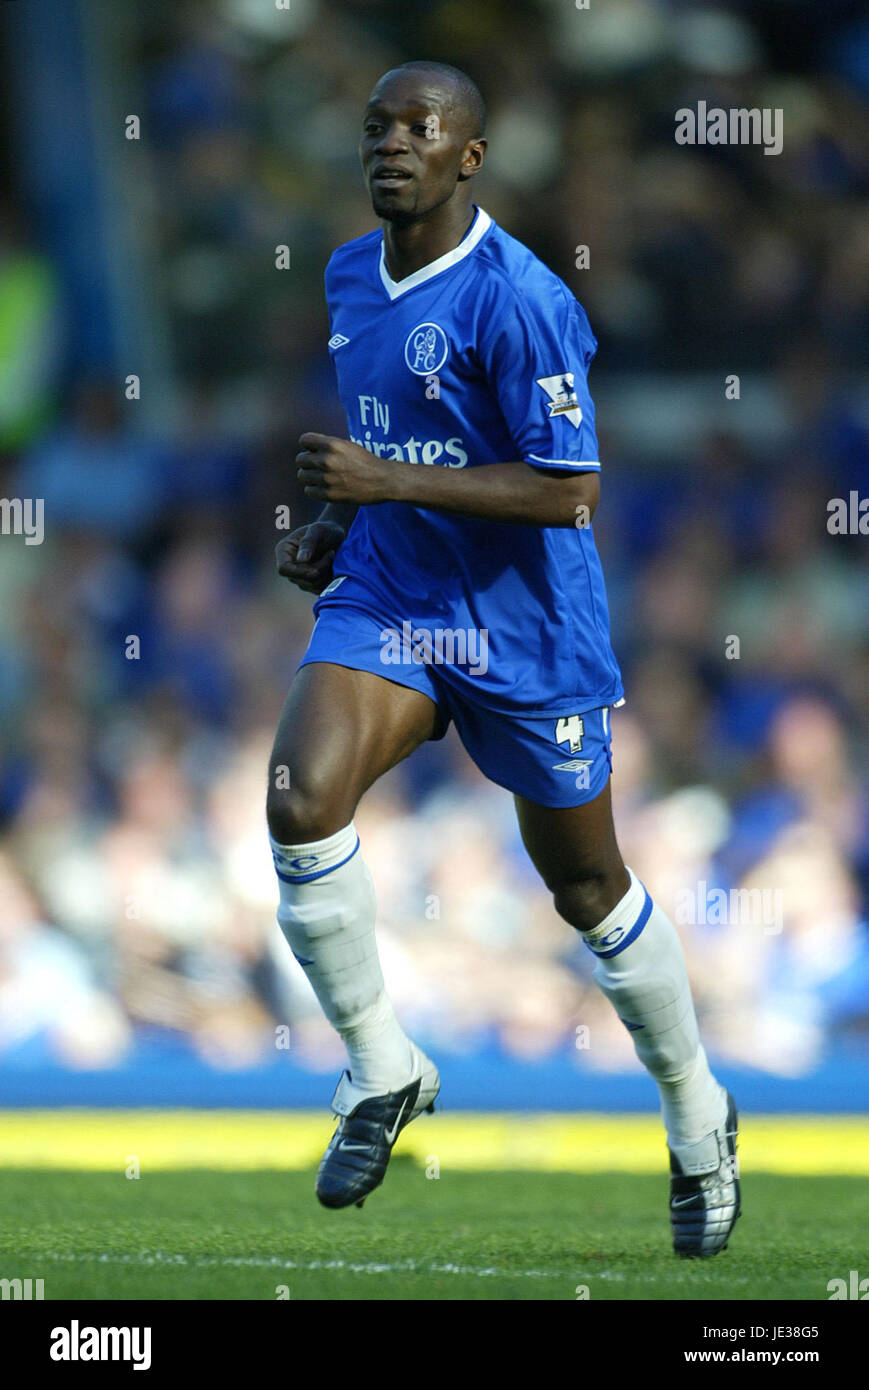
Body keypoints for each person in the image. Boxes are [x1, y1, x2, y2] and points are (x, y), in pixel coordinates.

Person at [267, 61, 739, 1258]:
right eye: (376, 126)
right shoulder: (344, 274)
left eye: (419, 128)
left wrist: (383, 484)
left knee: (585, 887)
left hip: (524, 622)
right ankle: (383, 1068)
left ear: (466, 156)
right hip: (393, 594)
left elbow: (570, 490)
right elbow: (395, 434)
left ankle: (695, 1113)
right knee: (297, 796)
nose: (392, 145)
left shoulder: (519, 298)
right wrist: (339, 521)